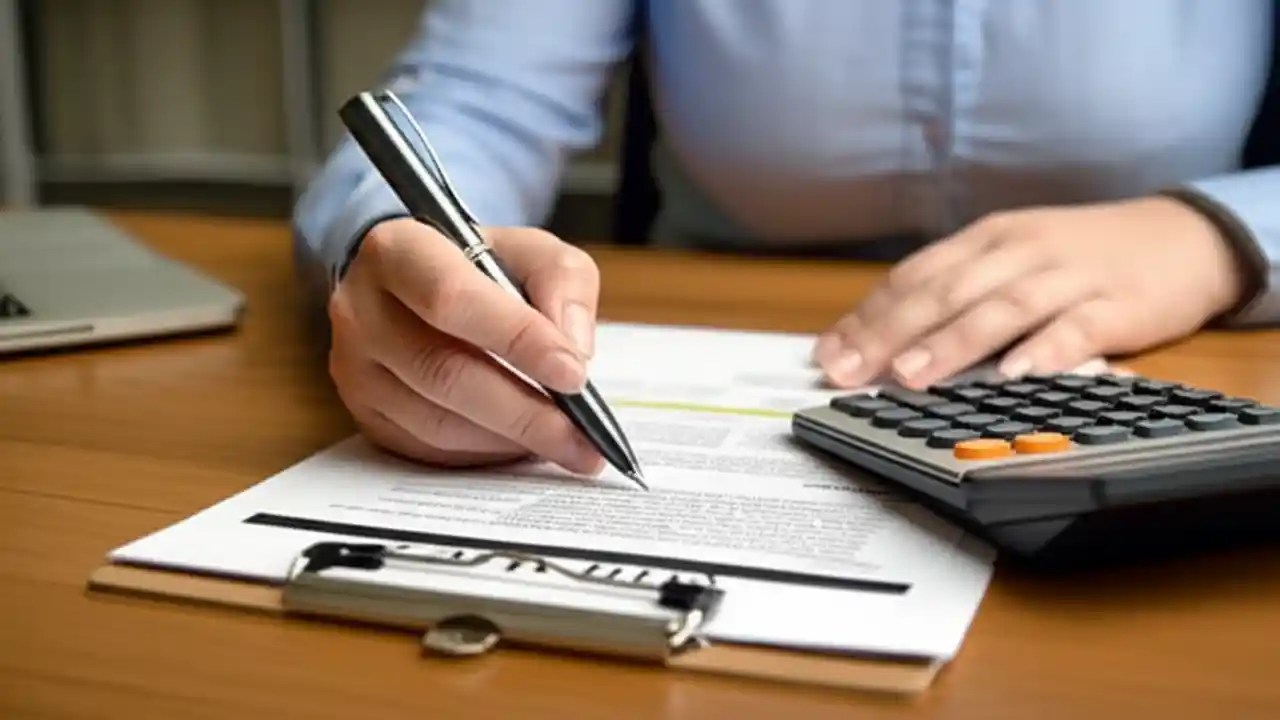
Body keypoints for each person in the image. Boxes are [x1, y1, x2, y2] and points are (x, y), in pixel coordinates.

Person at [293, 1, 1278, 476]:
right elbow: (472, 103)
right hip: (710, 345)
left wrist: (1217, 237)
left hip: (1191, 366)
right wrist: (391, 243)